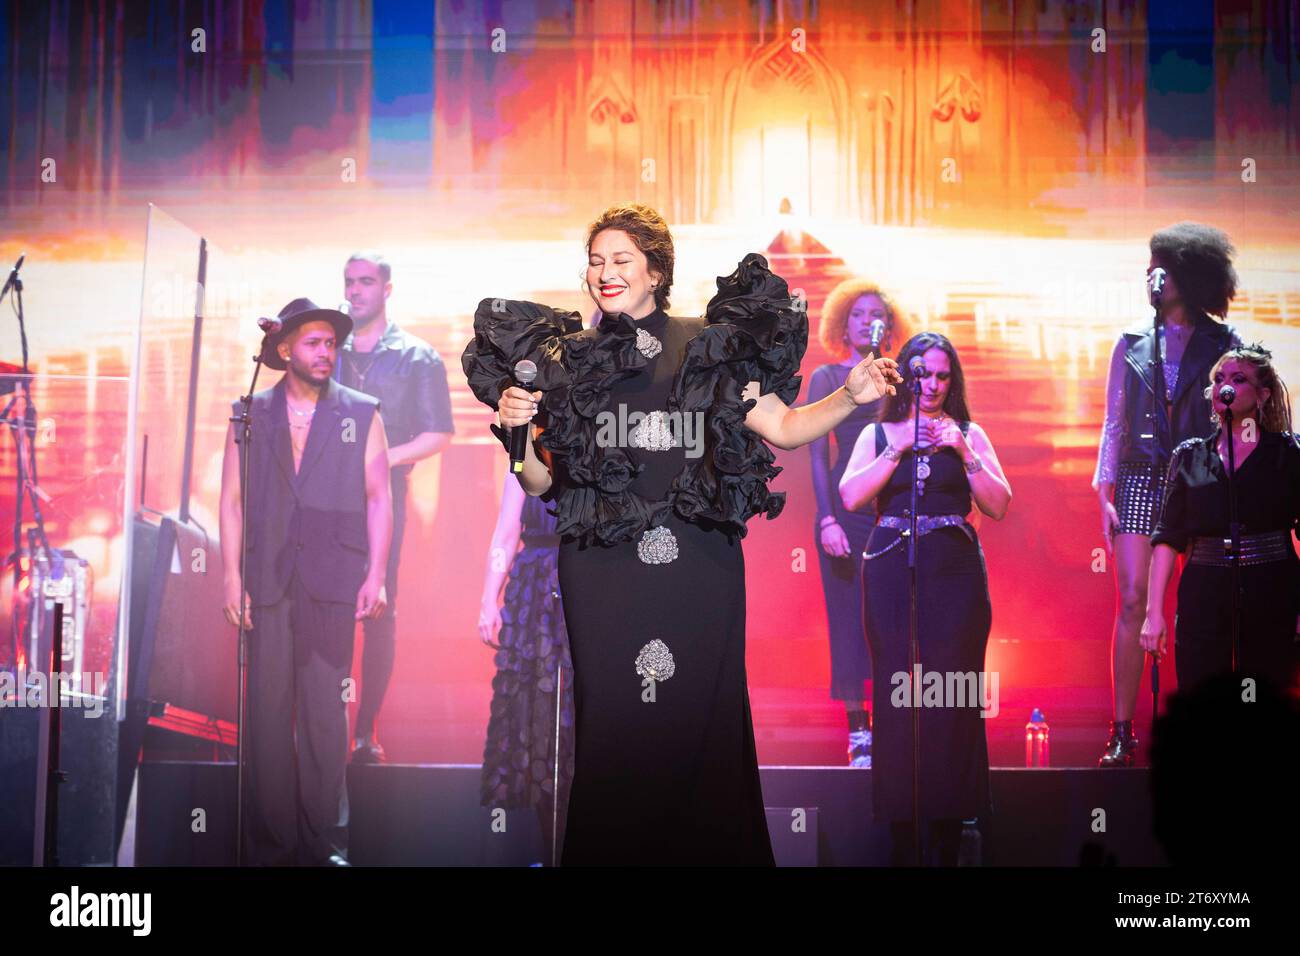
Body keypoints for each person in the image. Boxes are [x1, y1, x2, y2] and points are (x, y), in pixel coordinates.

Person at [462, 202, 901, 865]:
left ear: (656, 270)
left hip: (697, 568)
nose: (605, 273)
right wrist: (519, 433)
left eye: (621, 260)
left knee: (702, 727)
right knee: (616, 733)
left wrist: (849, 396)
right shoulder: (567, 361)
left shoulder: (706, 345)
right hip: (603, 574)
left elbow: (781, 426)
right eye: (596, 261)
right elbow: (539, 485)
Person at [219, 298, 392, 866]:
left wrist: (378, 574)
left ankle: (326, 845)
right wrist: (228, 576)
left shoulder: (361, 411)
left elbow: (378, 498)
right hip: (267, 580)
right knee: (267, 719)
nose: (327, 352)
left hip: (332, 579)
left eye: (332, 343)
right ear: (285, 348)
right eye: (315, 343)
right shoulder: (249, 412)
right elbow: (232, 500)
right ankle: (270, 846)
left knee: (325, 715)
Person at [839, 332, 1012, 866]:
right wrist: (900, 447)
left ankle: (950, 825)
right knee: (900, 689)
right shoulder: (877, 432)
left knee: (949, 691)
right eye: (923, 374)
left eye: (942, 375)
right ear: (904, 376)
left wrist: (962, 450)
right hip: (893, 564)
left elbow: (999, 504)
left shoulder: (970, 431)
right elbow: (850, 495)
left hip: (954, 571)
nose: (933, 385)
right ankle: (902, 827)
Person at [1093, 222, 1241, 767]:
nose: (1154, 275)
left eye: (1165, 265)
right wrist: (1103, 489)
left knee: (1195, 602)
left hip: (1198, 477)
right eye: (1149, 264)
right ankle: (1122, 728)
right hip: (1138, 473)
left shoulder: (1225, 343)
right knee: (1132, 598)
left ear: (1191, 275)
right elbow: (1112, 423)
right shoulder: (1131, 341)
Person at [336, 252, 455, 764]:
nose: (355, 290)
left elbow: (439, 433)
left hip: (385, 496)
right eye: (349, 282)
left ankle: (366, 733)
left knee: (378, 610)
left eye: (366, 282)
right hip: (325, 498)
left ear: (387, 288)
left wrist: (382, 460)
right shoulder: (327, 350)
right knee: (327, 607)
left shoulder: (416, 356)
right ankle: (323, 728)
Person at [1141, 345, 1300, 694]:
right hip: (1204, 588)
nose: (1224, 387)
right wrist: (1153, 614)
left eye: (1238, 379)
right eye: (1219, 379)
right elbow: (1168, 538)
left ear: (1263, 394)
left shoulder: (1288, 454)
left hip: (1270, 585)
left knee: (1262, 695)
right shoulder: (1189, 456)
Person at [806, 279, 911, 767]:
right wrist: (826, 518)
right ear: (842, 324)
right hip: (844, 517)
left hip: (890, 516)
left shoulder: (901, 377)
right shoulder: (827, 378)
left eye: (878, 314)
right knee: (848, 621)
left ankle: (894, 727)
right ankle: (859, 732)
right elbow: (815, 454)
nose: (870, 320)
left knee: (892, 622)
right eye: (859, 313)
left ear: (888, 326)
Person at [477, 473, 575, 866]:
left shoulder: (604, 442)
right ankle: (550, 848)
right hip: (536, 588)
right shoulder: (527, 448)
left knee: (577, 717)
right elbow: (505, 531)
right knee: (535, 718)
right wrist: (488, 598)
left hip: (585, 581)